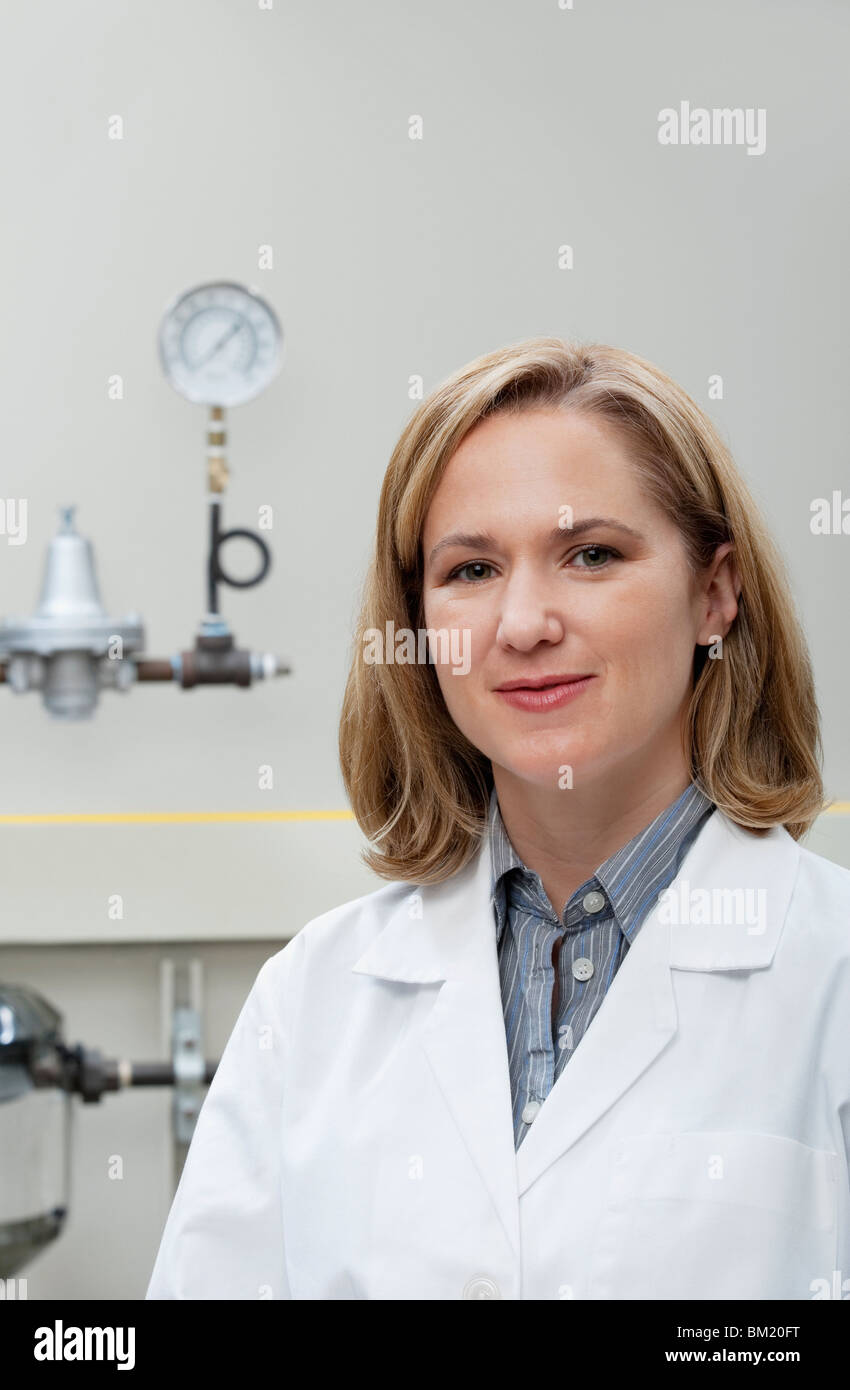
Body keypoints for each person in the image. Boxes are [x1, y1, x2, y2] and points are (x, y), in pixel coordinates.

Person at [146, 338, 850, 1300]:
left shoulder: (830, 978)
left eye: (591, 555)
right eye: (471, 571)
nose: (522, 624)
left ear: (714, 594)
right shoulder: (312, 1000)